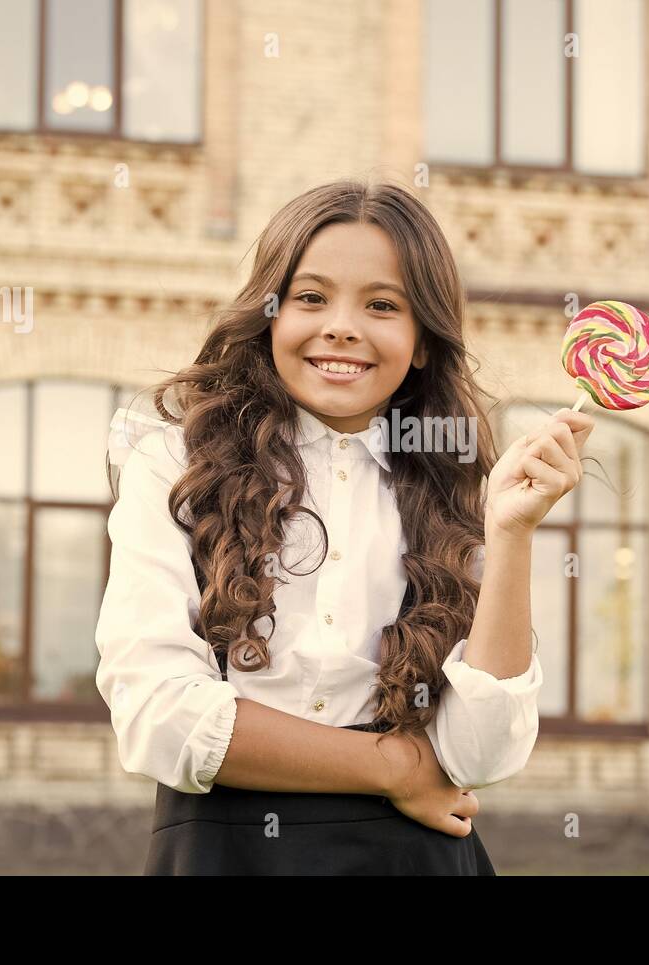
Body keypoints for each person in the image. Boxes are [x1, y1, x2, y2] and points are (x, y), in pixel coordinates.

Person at [95, 178, 593, 875]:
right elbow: (159, 714)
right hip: (222, 850)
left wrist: (509, 533)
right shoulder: (175, 464)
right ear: (269, 314)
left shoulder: (453, 487)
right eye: (310, 297)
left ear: (422, 341)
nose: (341, 326)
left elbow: (480, 754)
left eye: (383, 305)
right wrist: (395, 765)